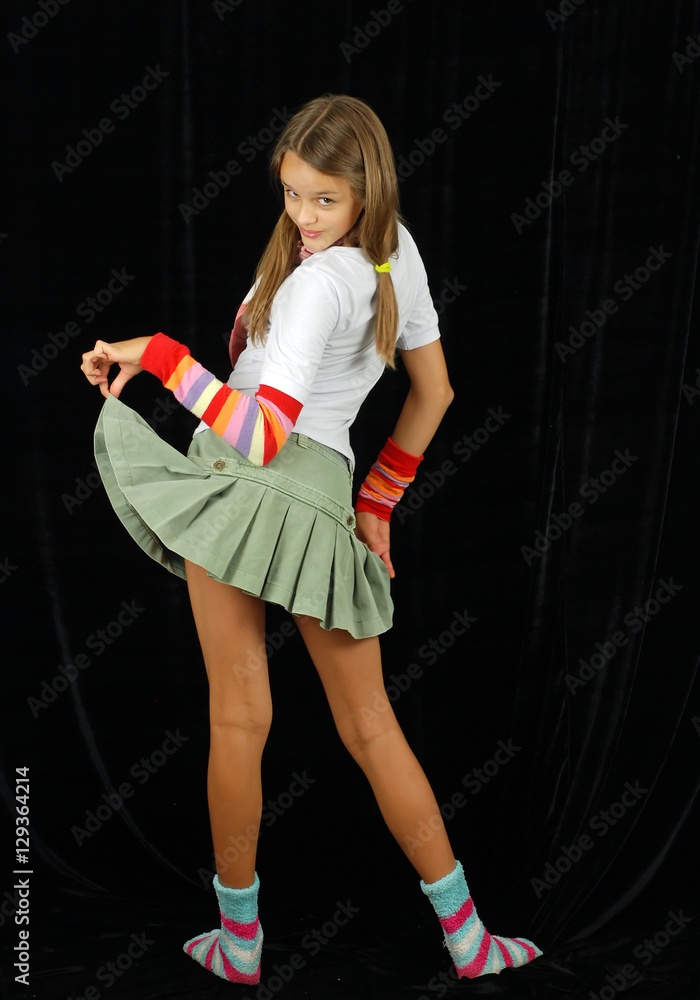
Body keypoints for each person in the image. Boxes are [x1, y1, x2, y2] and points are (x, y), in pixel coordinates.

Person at [80, 94, 542, 984]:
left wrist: (161, 355)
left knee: (239, 716)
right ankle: (470, 941)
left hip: (240, 476)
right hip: (321, 493)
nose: (304, 216)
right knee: (371, 725)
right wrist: (377, 501)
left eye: (325, 199)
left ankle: (239, 944)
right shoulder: (395, 252)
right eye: (293, 193)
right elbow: (435, 391)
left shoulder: (318, 285)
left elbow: (259, 436)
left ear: (368, 186)